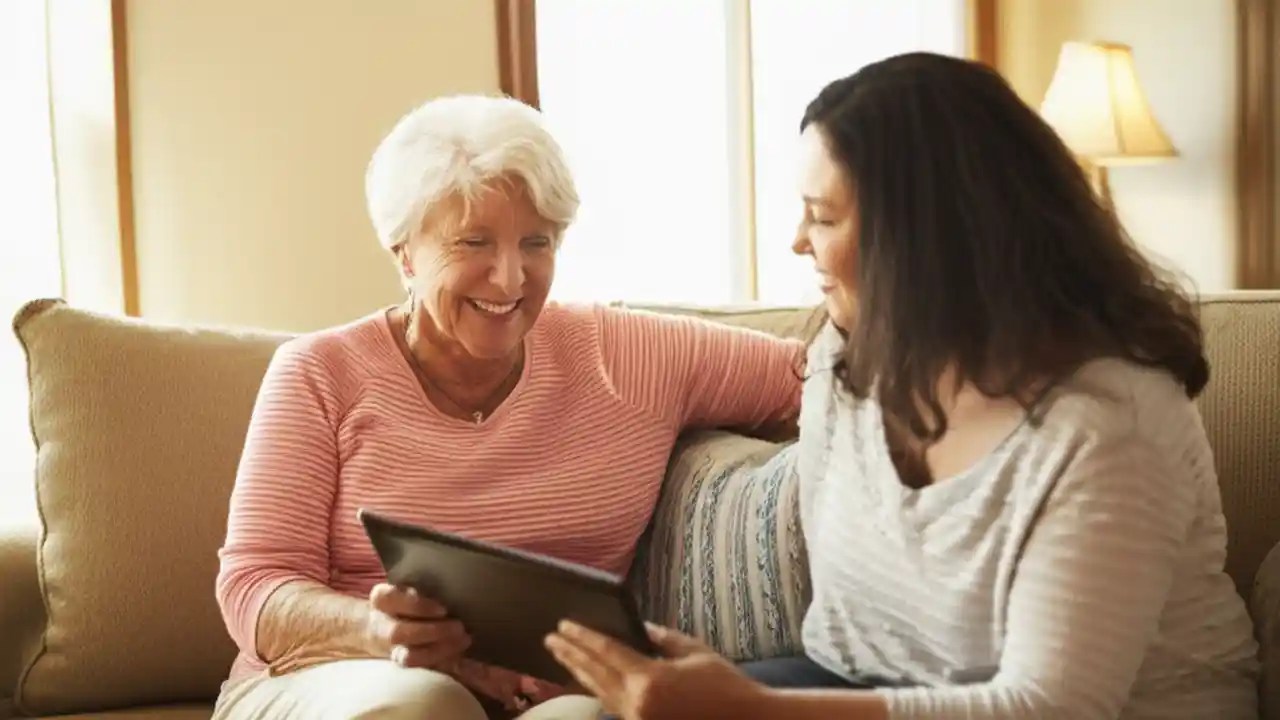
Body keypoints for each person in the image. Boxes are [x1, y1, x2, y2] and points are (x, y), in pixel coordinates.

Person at [545, 52, 1261, 720]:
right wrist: (725, 682)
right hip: (885, 690)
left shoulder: (1108, 421)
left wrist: (752, 707)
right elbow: (852, 640)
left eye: (823, 217)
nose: (798, 241)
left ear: (921, 237)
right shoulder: (849, 359)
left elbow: (1053, 705)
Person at [211, 95, 805, 720]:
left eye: (536, 243)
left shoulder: (625, 355)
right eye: (474, 242)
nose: (511, 279)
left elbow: (815, 375)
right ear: (403, 252)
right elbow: (254, 585)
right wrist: (378, 631)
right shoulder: (319, 373)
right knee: (423, 703)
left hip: (544, 697)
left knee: (585, 719)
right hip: (339, 679)